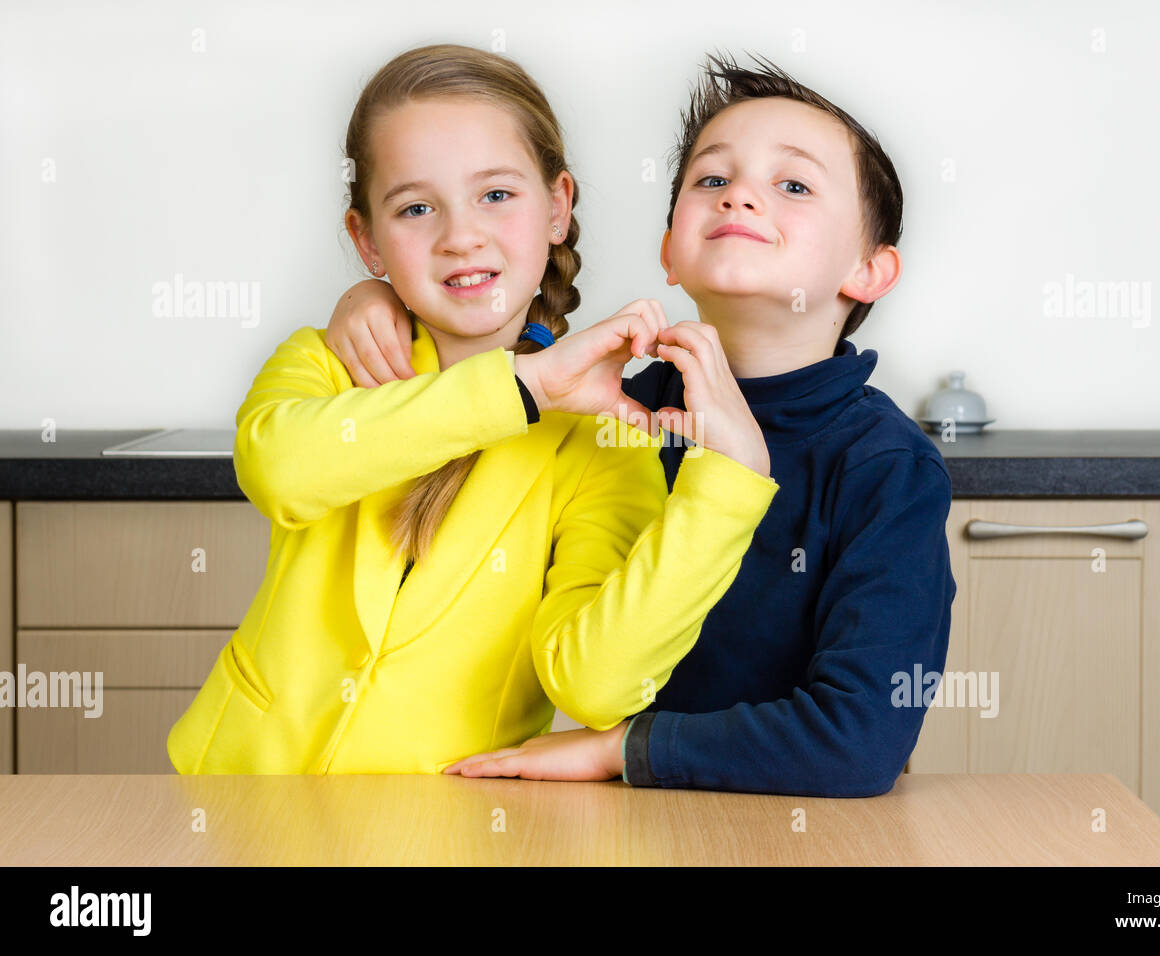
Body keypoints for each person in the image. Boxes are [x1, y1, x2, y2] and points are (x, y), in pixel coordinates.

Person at [325, 51, 956, 798]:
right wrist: (380, 304)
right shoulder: (607, 413)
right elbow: (491, 390)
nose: (740, 198)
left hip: (811, 828)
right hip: (627, 820)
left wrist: (624, 749)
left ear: (870, 270)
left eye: (792, 185)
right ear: (669, 252)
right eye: (712, 180)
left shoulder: (887, 469)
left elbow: (857, 739)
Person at [165, 44, 778, 775]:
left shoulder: (596, 442)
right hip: (238, 796)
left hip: (442, 830)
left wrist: (728, 490)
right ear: (368, 241)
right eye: (417, 207)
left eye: (496, 195)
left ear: (557, 208)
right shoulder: (326, 361)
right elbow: (279, 471)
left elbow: (596, 683)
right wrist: (519, 390)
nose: (460, 236)